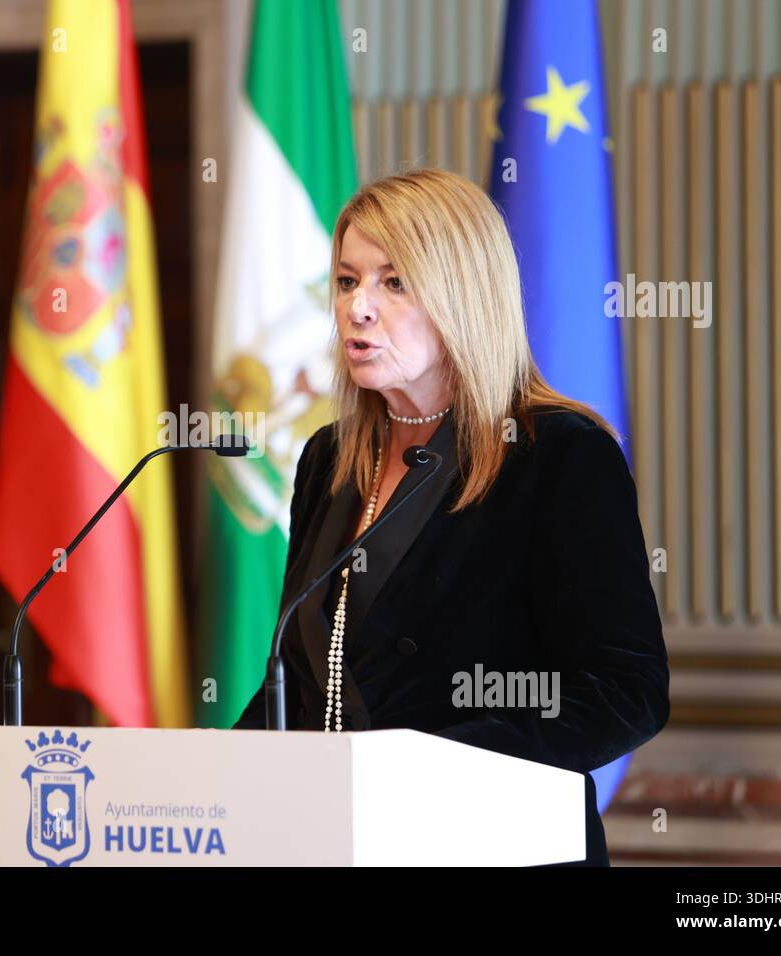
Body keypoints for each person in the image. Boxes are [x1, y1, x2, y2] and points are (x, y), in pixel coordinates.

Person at [233, 168, 670, 866]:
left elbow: (626, 694)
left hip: (493, 845)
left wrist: (428, 765)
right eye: (347, 281)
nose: (358, 308)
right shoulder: (330, 457)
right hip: (340, 845)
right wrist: (206, 780)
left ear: (463, 293)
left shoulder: (557, 456)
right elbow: (303, 676)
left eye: (393, 282)